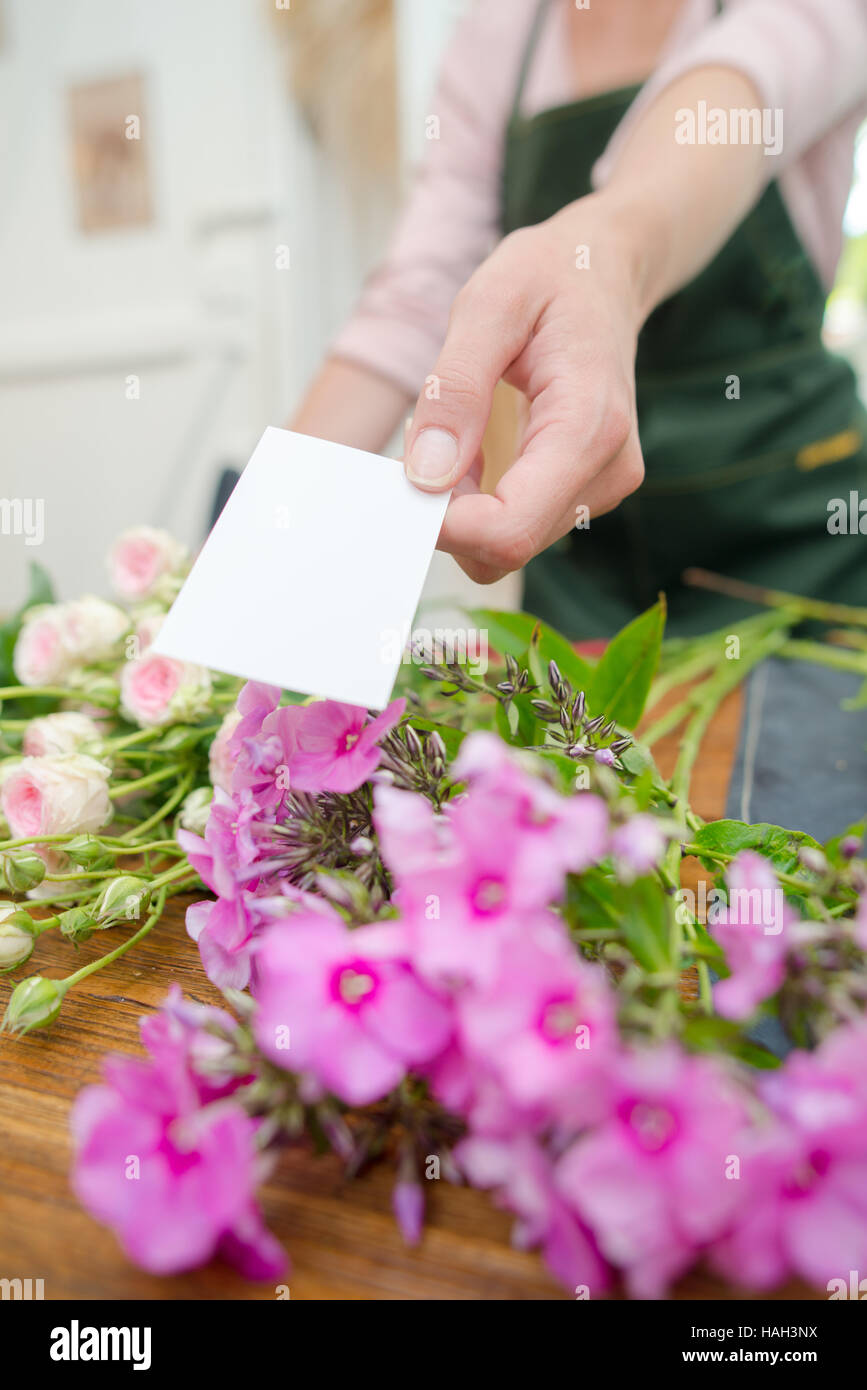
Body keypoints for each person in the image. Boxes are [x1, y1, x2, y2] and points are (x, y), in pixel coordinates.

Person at [290, 0, 867, 636]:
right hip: (581, 567)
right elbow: (411, 300)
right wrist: (268, 531)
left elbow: (731, 97)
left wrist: (609, 256)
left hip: (798, 543)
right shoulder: (495, 38)